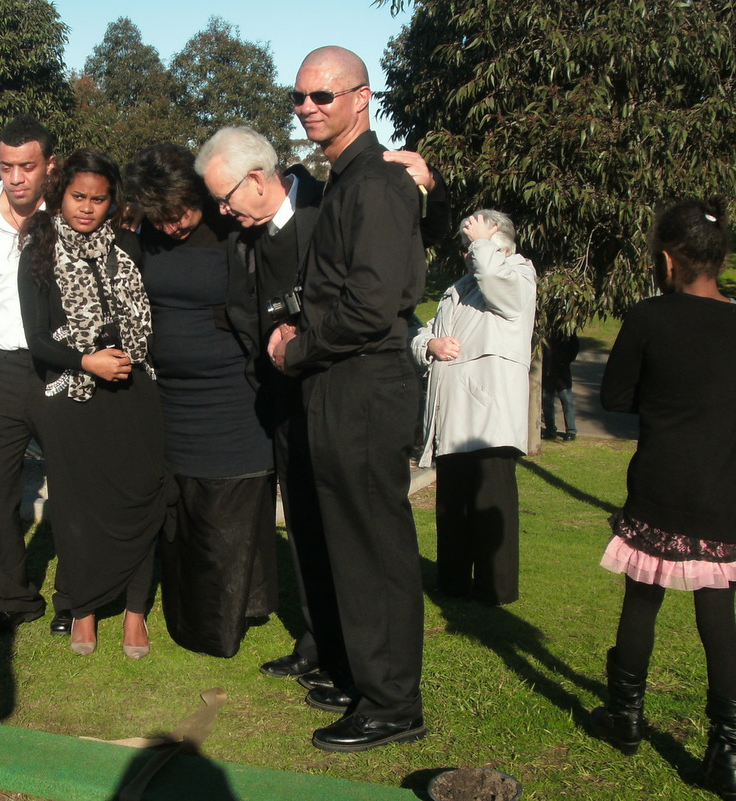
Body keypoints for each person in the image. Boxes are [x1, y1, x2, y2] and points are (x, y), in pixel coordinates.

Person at [197, 125, 451, 696]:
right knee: (309, 528)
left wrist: (433, 190)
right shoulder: (241, 230)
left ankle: (370, 674)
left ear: (258, 181)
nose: (221, 210)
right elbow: (243, 310)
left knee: (353, 537)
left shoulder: (332, 200)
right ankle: (322, 646)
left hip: (344, 386)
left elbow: (405, 254)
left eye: (226, 197)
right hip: (284, 395)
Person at [591, 198, 736, 801]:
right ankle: (728, 757)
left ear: (667, 258)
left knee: (642, 599)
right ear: (720, 257)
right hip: (726, 485)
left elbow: (616, 397)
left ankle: (624, 719)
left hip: (664, 481)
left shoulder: (649, 317)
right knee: (717, 619)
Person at [267, 46, 428, 752]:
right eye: (298, 97)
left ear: (361, 98)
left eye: (321, 96)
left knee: (373, 549)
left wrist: (295, 348)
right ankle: (359, 674)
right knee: (343, 543)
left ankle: (393, 702)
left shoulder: (380, 184)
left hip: (365, 381)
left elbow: (370, 305)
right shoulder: (344, 181)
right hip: (338, 381)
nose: (306, 107)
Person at [123, 142, 276, 659]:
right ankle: (193, 610)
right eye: (159, 218)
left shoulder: (233, 224)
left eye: (180, 212)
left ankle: (233, 613)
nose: (171, 227)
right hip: (170, 397)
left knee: (230, 506)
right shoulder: (143, 232)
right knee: (183, 508)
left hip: (233, 395)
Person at [18, 148, 170, 658]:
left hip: (134, 395)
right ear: (60, 194)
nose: (87, 208)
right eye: (78, 196)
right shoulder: (38, 249)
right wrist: (87, 362)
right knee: (79, 507)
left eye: (98, 199)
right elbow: (36, 338)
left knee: (141, 499)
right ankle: (83, 609)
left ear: (112, 202)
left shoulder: (128, 245)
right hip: (73, 398)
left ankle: (134, 613)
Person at [0, 115, 63, 639]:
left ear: (49, 166)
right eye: (6, 167)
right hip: (2, 367)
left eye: (27, 166)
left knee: (74, 483)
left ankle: (76, 598)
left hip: (61, 367)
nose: (16, 177)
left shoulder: (73, 212)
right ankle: (14, 597)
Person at [410, 210, 536, 606]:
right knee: (452, 507)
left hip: (489, 416)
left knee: (490, 503)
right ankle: (452, 583)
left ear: (502, 243)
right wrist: (429, 346)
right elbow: (424, 332)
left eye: (477, 243)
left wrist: (484, 244)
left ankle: (495, 589)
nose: (469, 252)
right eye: (467, 246)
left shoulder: (517, 275)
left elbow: (497, 283)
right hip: (451, 415)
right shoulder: (458, 288)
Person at [541, 329, 580, 441]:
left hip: (561, 373)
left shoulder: (565, 329)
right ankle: (550, 429)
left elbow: (574, 346)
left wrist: (565, 360)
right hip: (548, 373)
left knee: (567, 401)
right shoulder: (545, 328)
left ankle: (571, 431)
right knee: (547, 403)